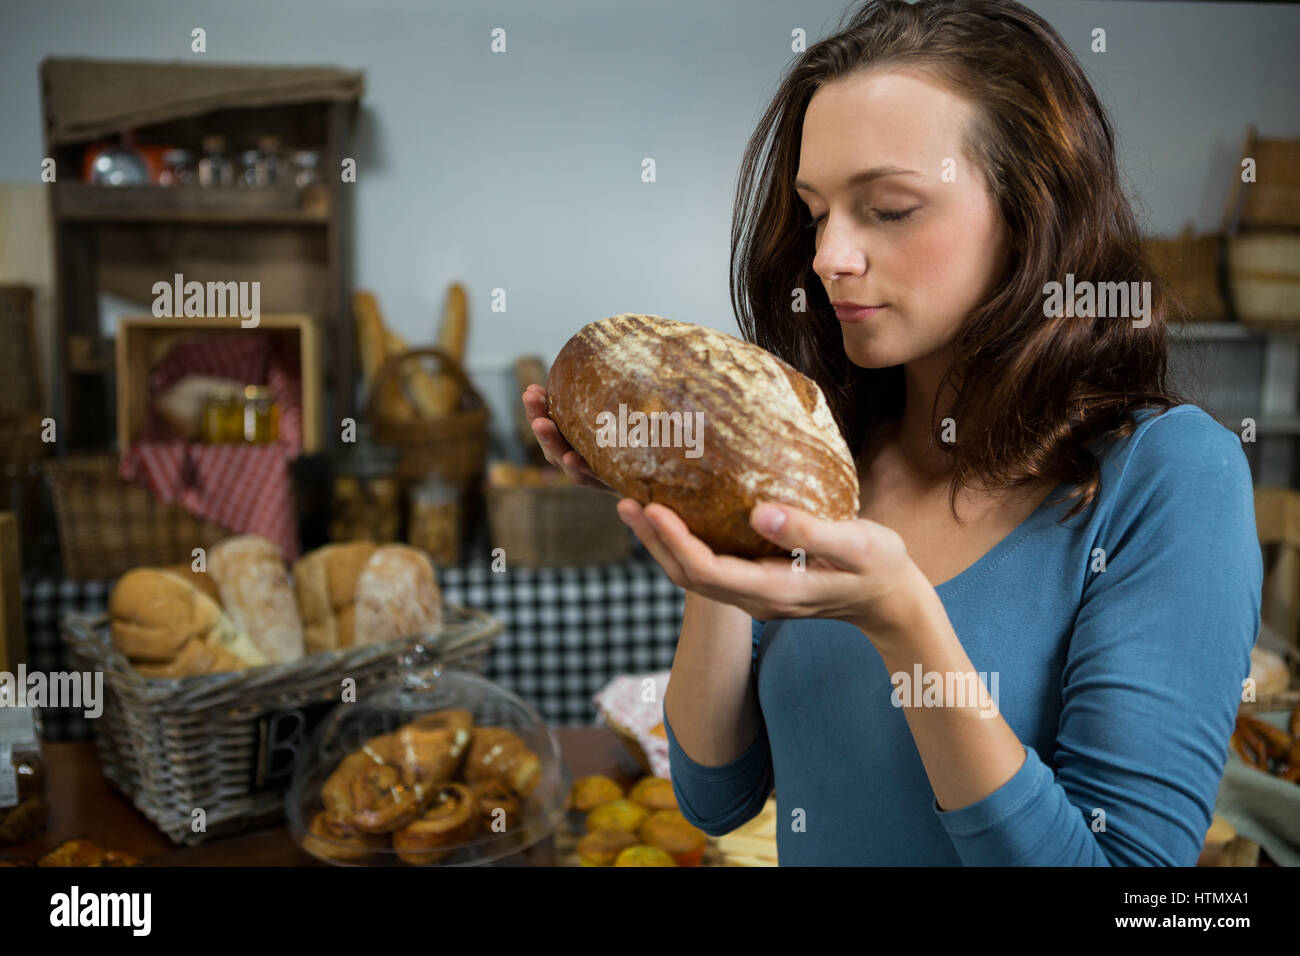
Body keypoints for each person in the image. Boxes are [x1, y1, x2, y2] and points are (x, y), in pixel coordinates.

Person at [522, 0, 1261, 865]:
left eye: (890, 208)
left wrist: (906, 621)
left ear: (1033, 214)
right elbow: (716, 797)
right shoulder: (825, 456)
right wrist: (693, 509)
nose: (828, 254)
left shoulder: (1169, 475)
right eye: (815, 210)